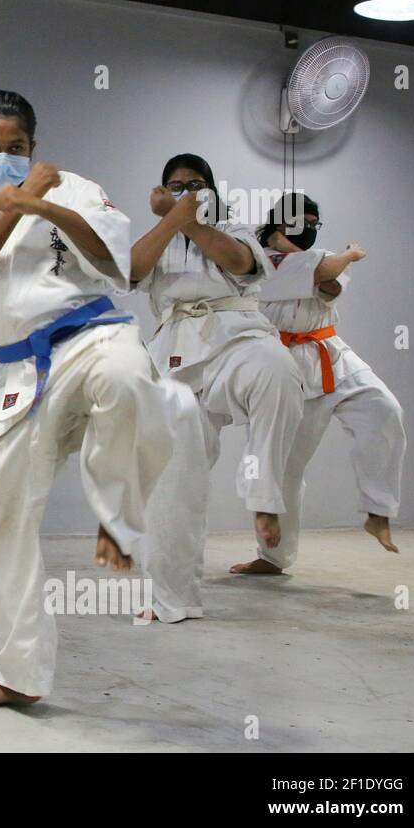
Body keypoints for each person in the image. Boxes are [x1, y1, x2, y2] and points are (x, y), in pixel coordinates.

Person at [0, 90, 177, 708]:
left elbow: (115, 261)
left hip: (94, 336)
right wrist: (10, 210)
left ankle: (117, 514)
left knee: (127, 379)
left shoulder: (77, 189)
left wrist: (41, 201)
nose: (4, 157)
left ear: (35, 149)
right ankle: (20, 676)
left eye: (17, 148)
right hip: (20, 376)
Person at [130, 154, 304, 578]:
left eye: (194, 185)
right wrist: (171, 221)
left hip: (235, 338)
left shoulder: (231, 228)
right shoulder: (158, 235)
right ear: (161, 190)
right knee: (175, 469)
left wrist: (184, 217)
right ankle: (172, 582)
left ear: (210, 189)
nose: (185, 193)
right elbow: (132, 270)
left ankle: (263, 497)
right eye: (175, 185)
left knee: (276, 370)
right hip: (175, 356)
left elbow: (240, 263)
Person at [232, 193, 403, 572]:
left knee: (385, 410)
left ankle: (378, 510)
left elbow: (329, 286)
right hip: (283, 363)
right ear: (278, 223)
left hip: (329, 351)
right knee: (287, 466)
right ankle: (272, 558)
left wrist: (331, 259)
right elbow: (307, 273)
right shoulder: (253, 260)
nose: (308, 229)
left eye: (312, 223)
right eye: (299, 223)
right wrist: (349, 254)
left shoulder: (323, 258)